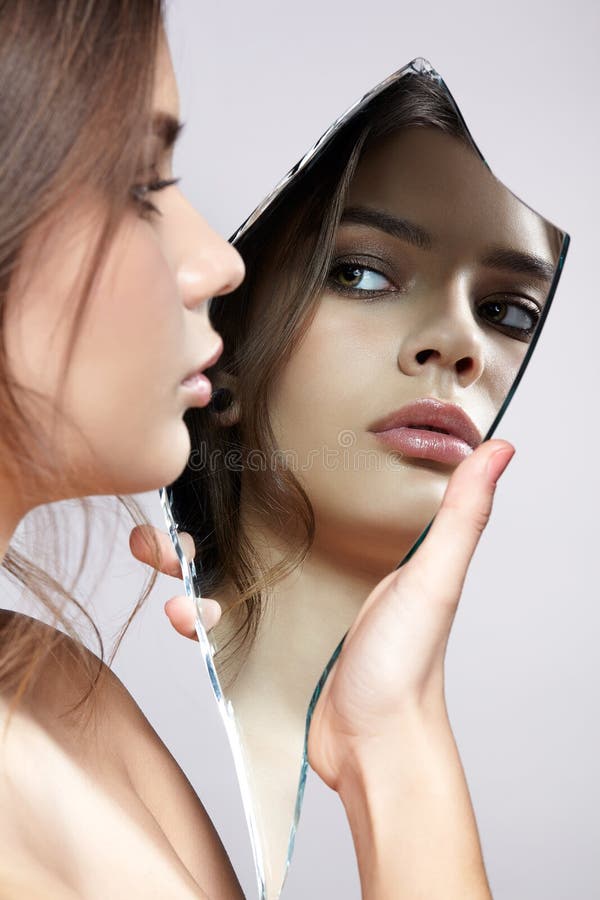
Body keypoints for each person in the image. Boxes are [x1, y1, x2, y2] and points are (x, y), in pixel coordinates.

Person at [0, 2, 512, 897]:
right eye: (135, 184)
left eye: (508, 311)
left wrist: (390, 730)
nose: (219, 261)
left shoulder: (60, 700)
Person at [141, 67, 563, 894]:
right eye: (363, 273)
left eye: (509, 311)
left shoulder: (80, 728)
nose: (461, 345)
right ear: (223, 359)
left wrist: (392, 730)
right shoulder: (53, 720)